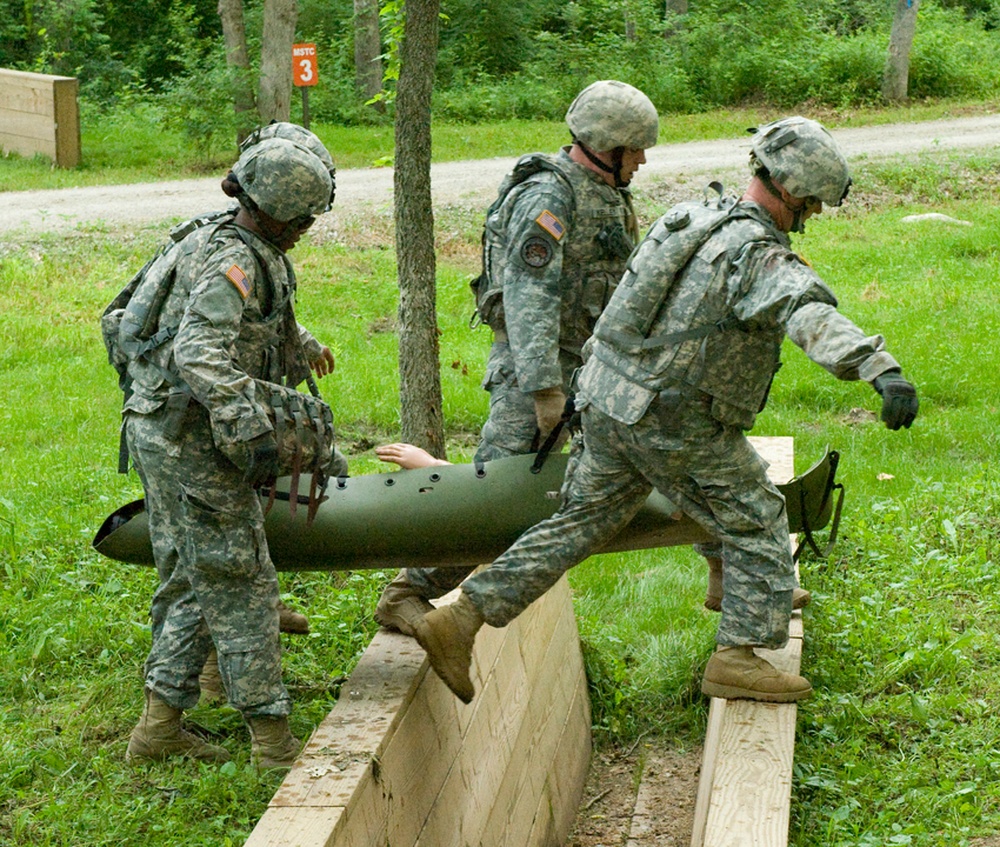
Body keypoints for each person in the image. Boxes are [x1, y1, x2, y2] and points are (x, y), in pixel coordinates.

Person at [411, 116, 919, 705]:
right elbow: (806, 311)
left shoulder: (689, 217)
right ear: (796, 194)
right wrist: (880, 370)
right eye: (814, 204)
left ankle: (460, 618)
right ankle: (739, 656)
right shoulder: (756, 255)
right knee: (755, 512)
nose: (815, 215)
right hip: (670, 419)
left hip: (604, 400)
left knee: (579, 525)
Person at [374, 80, 660, 636]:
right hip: (540, 375)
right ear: (606, 144)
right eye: (637, 148)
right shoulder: (549, 197)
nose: (644, 159)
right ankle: (408, 591)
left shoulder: (601, 188)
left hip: (591, 368)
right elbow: (529, 296)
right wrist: (545, 390)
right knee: (496, 496)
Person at [122, 133, 338, 768]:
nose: (304, 229)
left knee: (194, 575)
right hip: (190, 440)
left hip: (164, 426)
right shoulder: (232, 260)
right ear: (271, 210)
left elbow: (242, 319)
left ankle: (156, 732)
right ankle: (272, 746)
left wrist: (297, 341)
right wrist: (253, 433)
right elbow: (197, 349)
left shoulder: (233, 241)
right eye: (299, 217)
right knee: (242, 579)